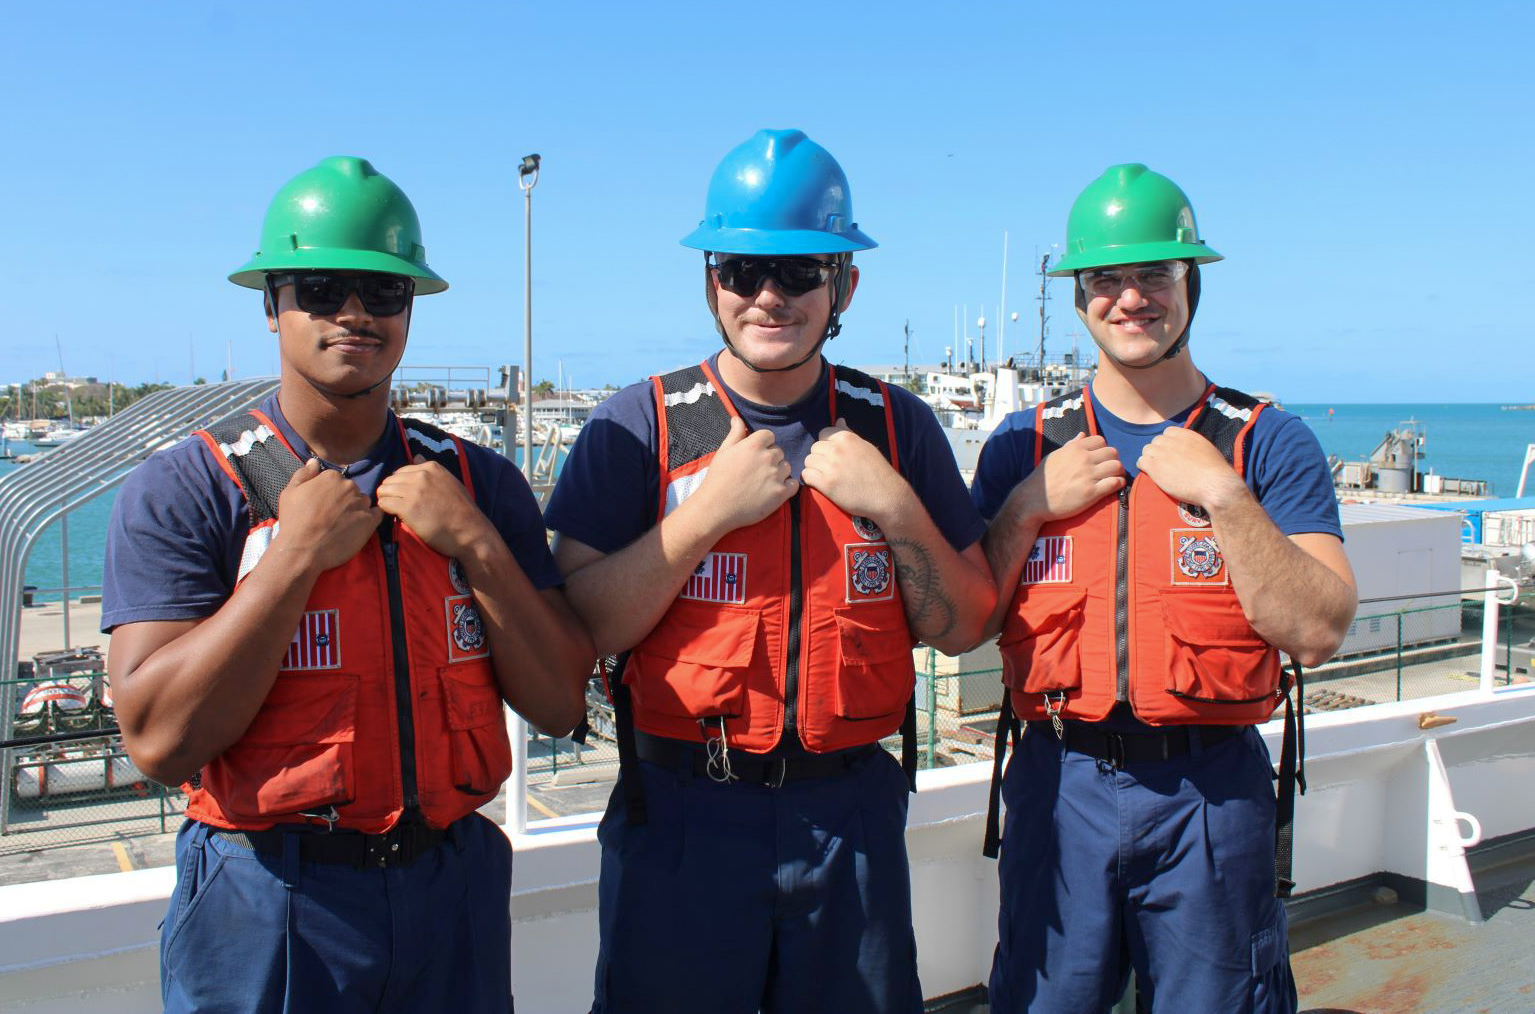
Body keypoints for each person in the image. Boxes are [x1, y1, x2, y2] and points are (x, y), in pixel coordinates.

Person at [102, 155, 595, 1014]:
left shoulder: (478, 486)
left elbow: (557, 703)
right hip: (267, 898)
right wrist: (293, 559)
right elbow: (157, 740)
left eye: (385, 292)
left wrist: (476, 543)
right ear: (271, 304)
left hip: (451, 886)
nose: (356, 314)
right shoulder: (189, 489)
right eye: (323, 289)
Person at [545, 129, 996, 1014]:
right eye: (741, 272)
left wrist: (895, 505)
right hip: (679, 811)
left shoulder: (898, 430)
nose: (767, 297)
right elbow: (584, 627)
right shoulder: (636, 428)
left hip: (849, 817)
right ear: (709, 280)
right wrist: (707, 514)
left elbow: (964, 623)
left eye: (798, 273)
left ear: (843, 285)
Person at [975, 163, 1358, 1013]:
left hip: (1209, 791)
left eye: (1156, 274)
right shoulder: (1020, 447)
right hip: (1055, 779)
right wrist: (1024, 509)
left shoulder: (1267, 442)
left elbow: (1319, 628)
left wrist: (1223, 495)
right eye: (1106, 279)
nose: (1131, 298)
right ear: (1078, 298)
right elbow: (962, 621)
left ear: (1192, 284)